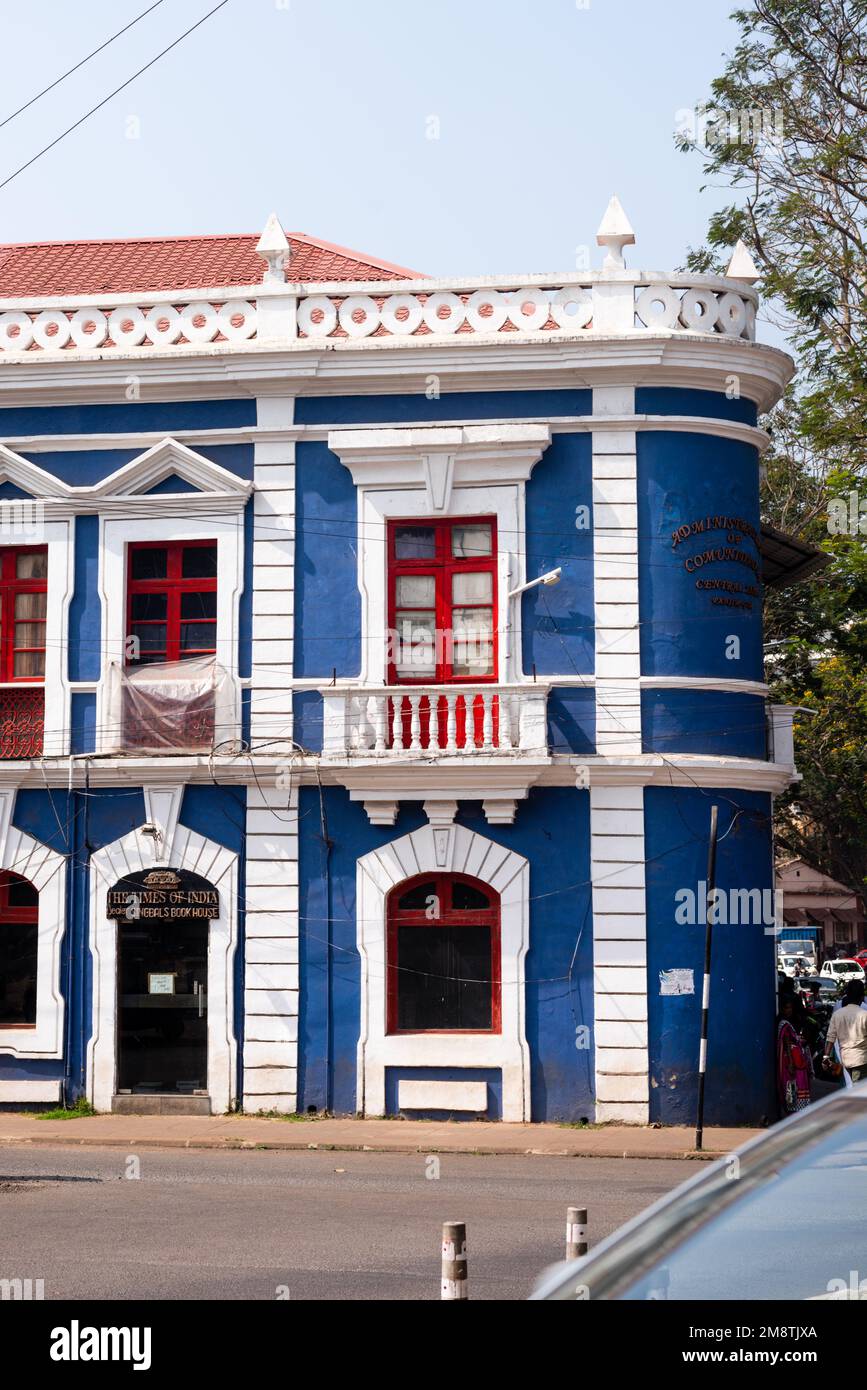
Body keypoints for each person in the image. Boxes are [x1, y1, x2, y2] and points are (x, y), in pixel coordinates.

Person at [823, 980, 867, 1083]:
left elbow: (830, 1038)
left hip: (845, 1060)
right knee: (859, 1093)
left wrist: (826, 1057)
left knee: (851, 1088)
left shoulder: (837, 1015)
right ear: (861, 997)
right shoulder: (864, 1015)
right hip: (861, 1060)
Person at [777, 994, 812, 1114]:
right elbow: (786, 1043)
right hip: (792, 1061)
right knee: (794, 1085)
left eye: (790, 1008)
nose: (789, 1010)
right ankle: (794, 1110)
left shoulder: (787, 1023)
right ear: (782, 1009)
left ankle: (796, 1109)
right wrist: (791, 1062)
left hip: (796, 1059)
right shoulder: (784, 1024)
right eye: (786, 1008)